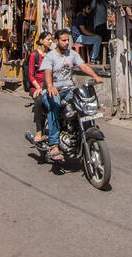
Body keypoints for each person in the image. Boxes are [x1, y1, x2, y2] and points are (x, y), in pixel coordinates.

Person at [43, 28, 103, 163]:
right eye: (63, 40)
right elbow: (47, 73)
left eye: (67, 40)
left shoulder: (72, 54)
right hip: (54, 90)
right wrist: (50, 86)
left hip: (69, 89)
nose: (66, 43)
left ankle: (81, 135)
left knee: (81, 107)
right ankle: (53, 145)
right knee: (55, 107)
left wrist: (95, 75)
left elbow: (83, 66)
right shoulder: (50, 56)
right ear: (56, 41)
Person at [23, 31, 52, 147]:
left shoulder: (51, 54)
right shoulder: (34, 55)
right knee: (39, 101)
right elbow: (30, 75)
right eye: (48, 39)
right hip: (36, 86)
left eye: (51, 39)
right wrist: (39, 88)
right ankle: (39, 131)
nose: (50, 42)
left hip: (49, 85)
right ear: (41, 41)